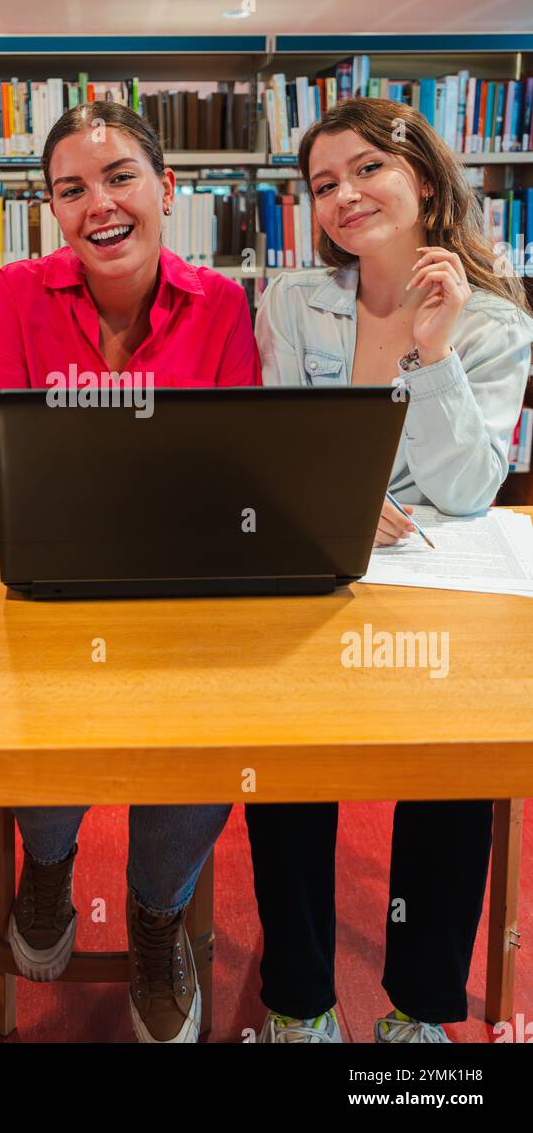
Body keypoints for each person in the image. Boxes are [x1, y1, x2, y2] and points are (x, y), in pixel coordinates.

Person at [0, 100, 261, 1041]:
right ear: (51, 209)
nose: (99, 205)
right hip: (52, 583)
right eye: (71, 189)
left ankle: (159, 911)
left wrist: (104, 501)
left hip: (179, 590)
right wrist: (105, 515)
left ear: (166, 188)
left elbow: (243, 460)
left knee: (206, 731)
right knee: (31, 712)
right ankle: (48, 861)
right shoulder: (9, 297)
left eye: (120, 177)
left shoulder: (223, 305)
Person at [249, 97, 533, 1044]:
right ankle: (298, 1003)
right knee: (283, 764)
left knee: (452, 772)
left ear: (421, 175)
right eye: (324, 183)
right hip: (316, 577)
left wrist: (435, 349)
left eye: (367, 169)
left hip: (439, 583)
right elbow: (281, 449)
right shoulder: (291, 301)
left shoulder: (493, 323)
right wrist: (331, 499)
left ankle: (418, 1010)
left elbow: (464, 492)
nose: (344, 195)